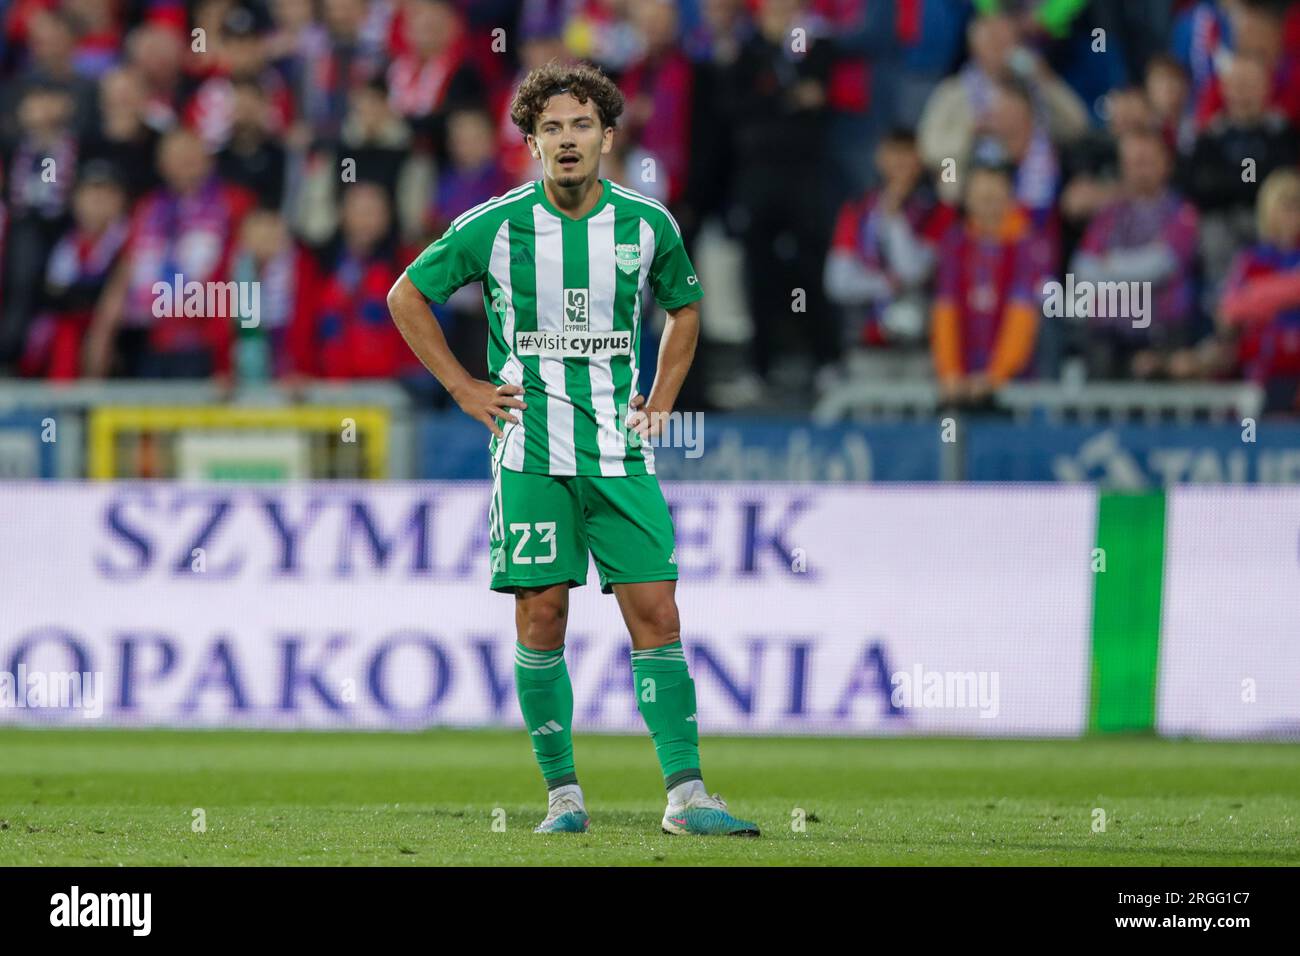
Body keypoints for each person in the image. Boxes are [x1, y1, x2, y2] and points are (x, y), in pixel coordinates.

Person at [387, 62, 759, 838]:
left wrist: (660, 402)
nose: (567, 140)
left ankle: (687, 798)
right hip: (528, 451)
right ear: (530, 143)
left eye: (581, 125)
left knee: (656, 611)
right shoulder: (494, 225)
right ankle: (563, 797)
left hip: (619, 453)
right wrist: (463, 389)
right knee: (542, 615)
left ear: (608, 137)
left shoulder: (647, 224)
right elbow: (405, 295)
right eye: (551, 127)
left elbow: (685, 310)